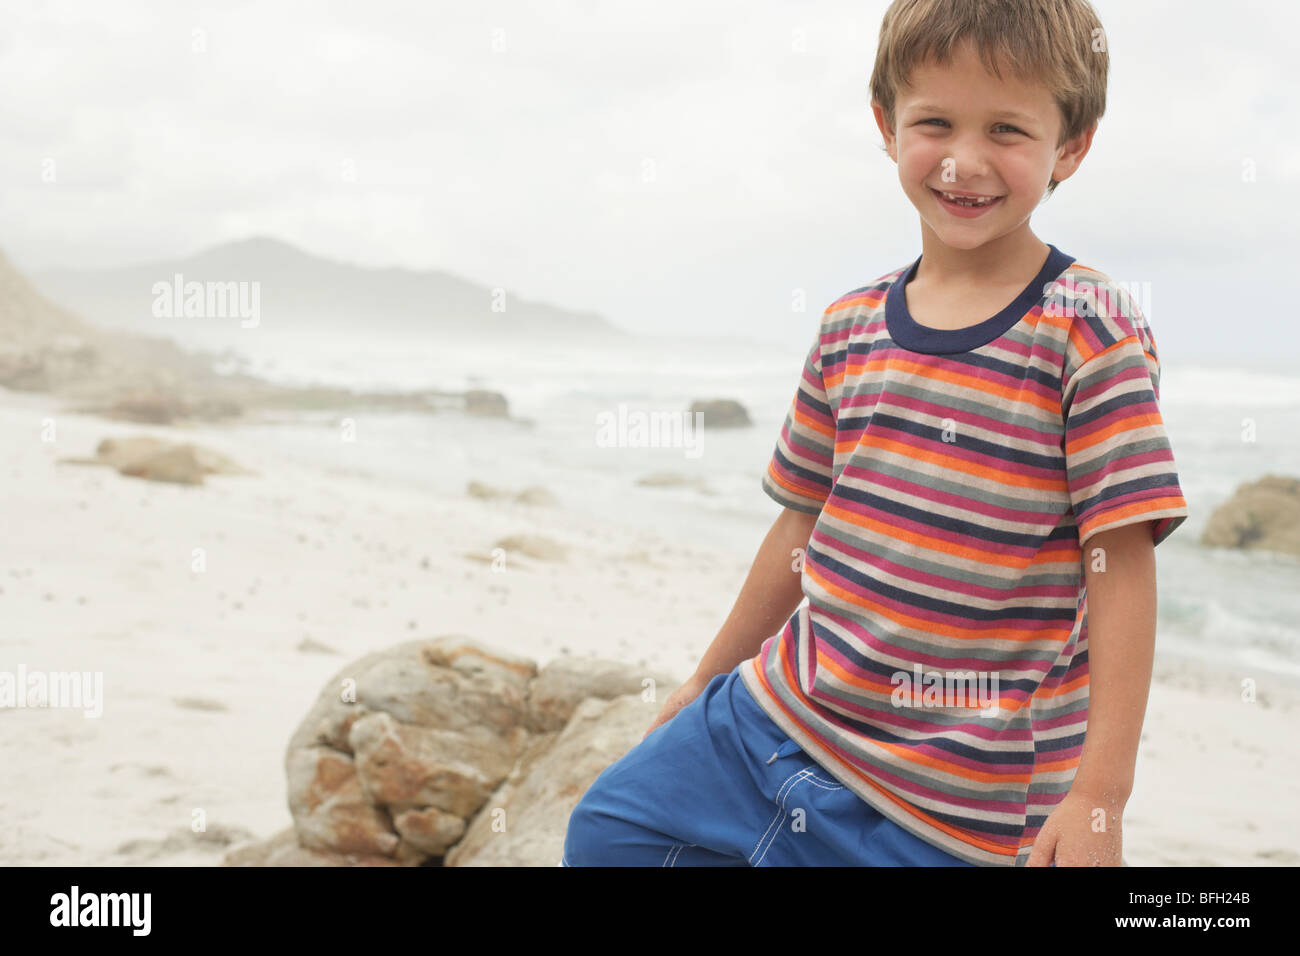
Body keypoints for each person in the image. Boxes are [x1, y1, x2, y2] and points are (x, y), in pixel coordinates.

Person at [561, 0, 1189, 867]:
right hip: (783, 715)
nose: (965, 162)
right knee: (609, 829)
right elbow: (799, 525)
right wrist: (707, 679)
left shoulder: (1089, 328)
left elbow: (1120, 561)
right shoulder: (850, 323)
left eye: (1007, 130)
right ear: (887, 125)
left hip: (958, 790)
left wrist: (1099, 797)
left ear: (1071, 147)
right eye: (935, 122)